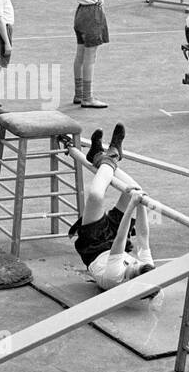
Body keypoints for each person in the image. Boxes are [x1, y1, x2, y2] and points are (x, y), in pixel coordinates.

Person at [65, 124, 160, 291]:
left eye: (133, 266)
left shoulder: (115, 277)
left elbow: (120, 239)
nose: (134, 262)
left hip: (94, 247)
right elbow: (143, 236)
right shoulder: (147, 270)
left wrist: (132, 205)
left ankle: (109, 158)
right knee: (135, 188)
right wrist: (142, 202)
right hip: (116, 240)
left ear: (131, 278)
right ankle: (103, 157)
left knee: (95, 195)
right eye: (137, 262)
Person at [70, 0, 109, 109]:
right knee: (90, 57)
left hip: (80, 13)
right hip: (92, 14)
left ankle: (78, 93)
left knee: (80, 54)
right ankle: (88, 96)